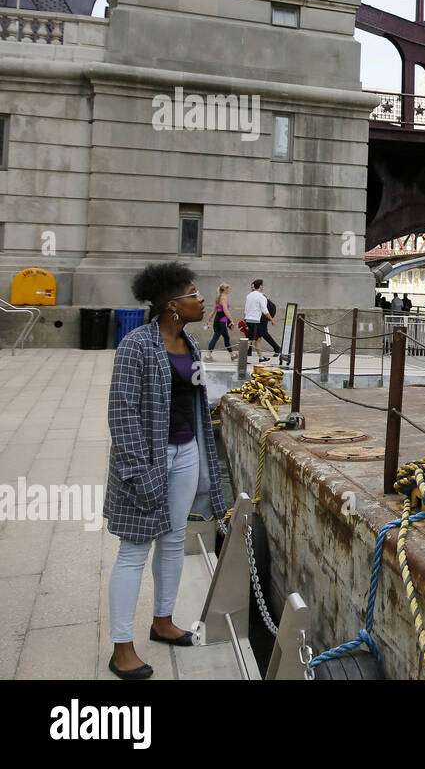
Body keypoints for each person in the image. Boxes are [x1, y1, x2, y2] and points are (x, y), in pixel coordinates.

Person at [106, 262, 226, 679]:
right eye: (194, 293)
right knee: (134, 550)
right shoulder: (136, 346)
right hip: (147, 460)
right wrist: (139, 472)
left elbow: (191, 401)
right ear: (173, 305)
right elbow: (121, 415)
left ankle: (163, 621)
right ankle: (121, 648)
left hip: (186, 453)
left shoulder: (190, 345)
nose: (202, 300)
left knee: (174, 540)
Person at [243, 278, 277, 363]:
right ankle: (242, 358)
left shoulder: (249, 295)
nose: (263, 286)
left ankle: (261, 358)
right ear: (260, 286)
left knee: (258, 339)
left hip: (249, 319)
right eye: (262, 285)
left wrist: (245, 318)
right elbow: (265, 310)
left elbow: (246, 309)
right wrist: (271, 319)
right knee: (250, 340)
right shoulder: (261, 297)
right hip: (255, 321)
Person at [203, 282, 237, 361]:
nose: (230, 290)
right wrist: (231, 320)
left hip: (217, 319)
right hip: (222, 320)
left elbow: (214, 310)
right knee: (216, 337)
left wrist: (208, 320)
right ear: (225, 289)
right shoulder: (223, 297)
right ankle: (208, 356)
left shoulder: (218, 297)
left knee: (226, 337)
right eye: (229, 288)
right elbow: (225, 310)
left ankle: (232, 355)